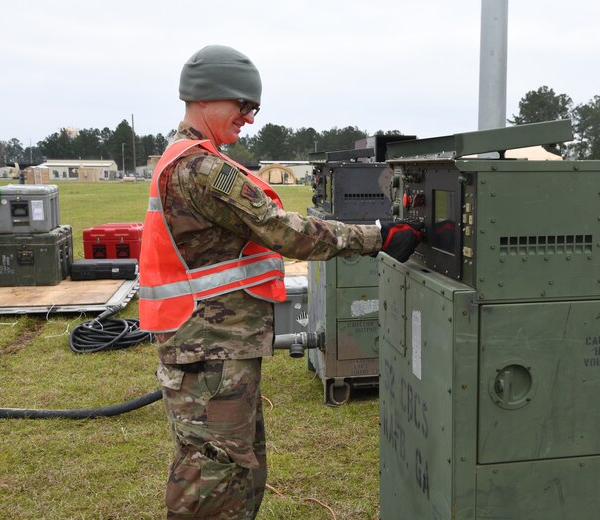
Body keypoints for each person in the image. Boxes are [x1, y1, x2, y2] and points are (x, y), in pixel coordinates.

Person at [138, 44, 423, 519]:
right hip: (211, 351)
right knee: (214, 476)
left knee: (238, 470)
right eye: (243, 106)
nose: (248, 118)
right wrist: (376, 236)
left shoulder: (186, 159)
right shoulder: (203, 169)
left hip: (213, 348)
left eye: (255, 108)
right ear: (208, 97)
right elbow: (283, 230)